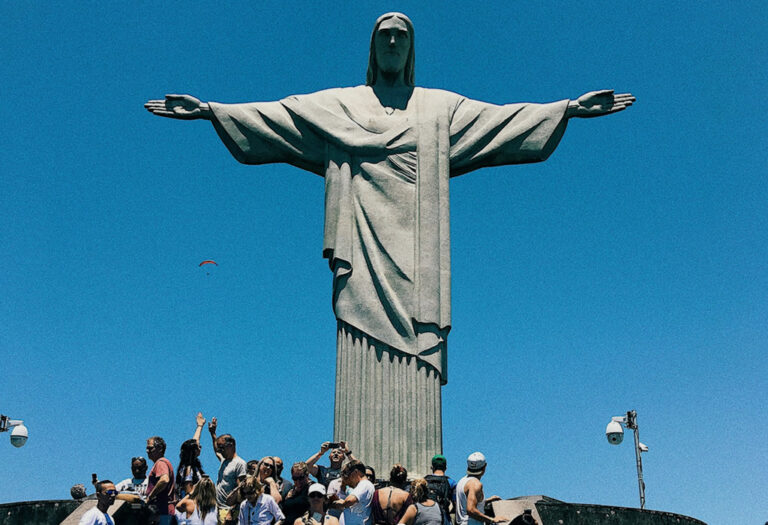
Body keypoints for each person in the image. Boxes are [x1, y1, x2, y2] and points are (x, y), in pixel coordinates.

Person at [145, 12, 635, 476]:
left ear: (412, 48)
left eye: (402, 35)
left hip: (419, 256)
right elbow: (279, 117)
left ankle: (416, 471)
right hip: (360, 247)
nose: (394, 43)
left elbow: (501, 122)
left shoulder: (439, 109)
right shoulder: (342, 105)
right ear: (373, 48)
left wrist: (566, 109)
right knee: (357, 332)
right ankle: (357, 466)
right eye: (385, 36)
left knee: (419, 340)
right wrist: (213, 111)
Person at [208, 417, 248, 524]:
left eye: (222, 447)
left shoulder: (239, 464)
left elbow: (241, 489)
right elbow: (216, 451)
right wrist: (213, 433)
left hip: (229, 511)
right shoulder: (224, 461)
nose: (220, 450)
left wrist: (232, 510)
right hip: (218, 508)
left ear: (231, 445)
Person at [455, 453, 507, 525]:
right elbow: (471, 510)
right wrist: (492, 519)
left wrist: (486, 501)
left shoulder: (462, 481)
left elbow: (466, 504)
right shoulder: (475, 484)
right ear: (485, 466)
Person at [146, 436, 176, 524]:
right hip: (165, 511)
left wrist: (150, 497)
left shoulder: (161, 463)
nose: (147, 451)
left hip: (163, 511)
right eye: (147, 448)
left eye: (150, 448)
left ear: (160, 448)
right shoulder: (162, 462)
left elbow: (164, 480)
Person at [178, 412, 208, 499]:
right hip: (190, 507)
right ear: (193, 451)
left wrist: (200, 426)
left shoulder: (191, 465)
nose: (201, 447)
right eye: (199, 447)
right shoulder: (188, 469)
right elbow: (188, 490)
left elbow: (194, 441)